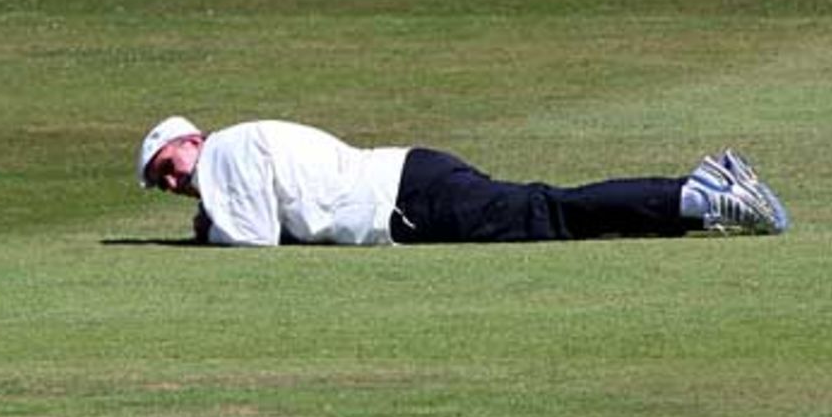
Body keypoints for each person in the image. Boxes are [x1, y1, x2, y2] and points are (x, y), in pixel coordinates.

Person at [135, 116, 790, 247]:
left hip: (407, 200)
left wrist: (203, 232)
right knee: (547, 207)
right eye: (161, 183)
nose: (171, 183)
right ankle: (698, 195)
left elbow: (252, 241)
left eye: (168, 167)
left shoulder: (224, 153)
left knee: (551, 213)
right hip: (410, 179)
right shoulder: (239, 149)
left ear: (191, 141)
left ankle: (697, 196)